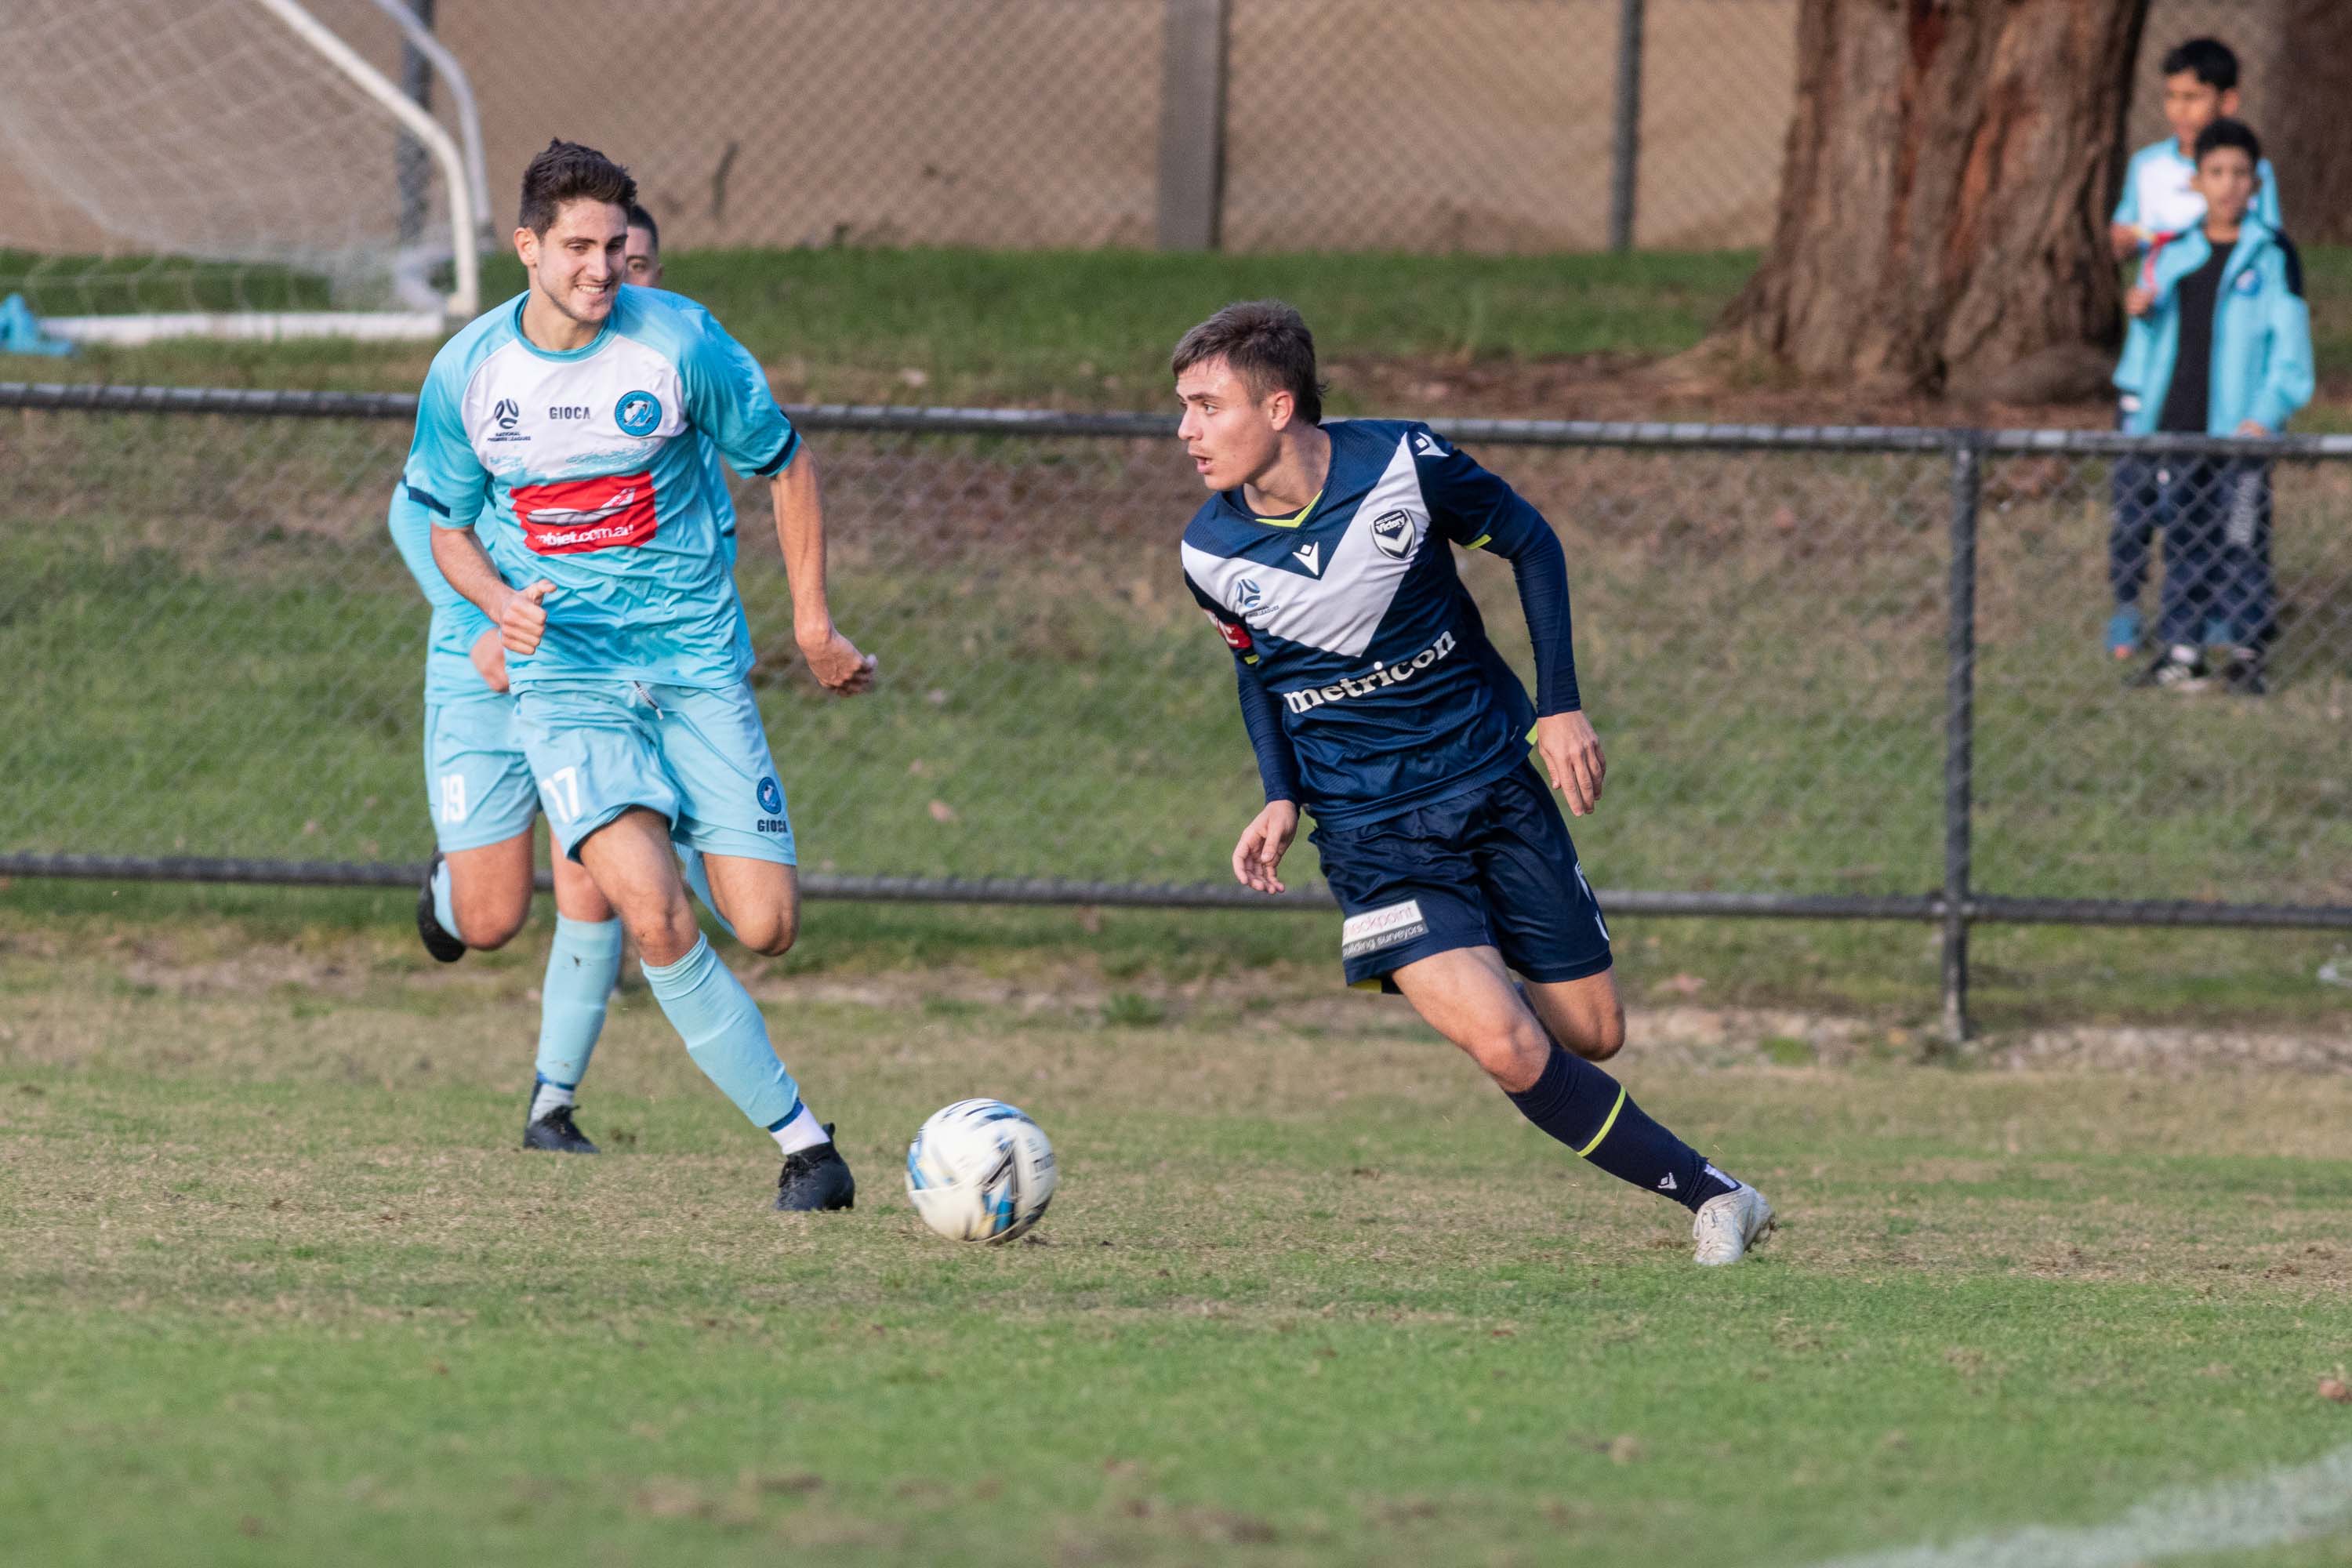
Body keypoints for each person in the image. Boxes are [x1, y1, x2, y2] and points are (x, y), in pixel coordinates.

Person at [1172, 301, 1773, 1266]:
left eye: (1207, 406)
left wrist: (1558, 704)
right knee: (1509, 1045)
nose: (1187, 432)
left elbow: (1531, 541)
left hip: (1492, 784)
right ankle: (1718, 1196)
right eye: (1185, 409)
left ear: (1278, 406)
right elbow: (1260, 675)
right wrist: (1282, 793)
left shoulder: (1406, 463)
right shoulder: (1211, 552)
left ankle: (1504, 996)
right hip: (1371, 831)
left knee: (1594, 1031)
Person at [409, 140, 876, 1210]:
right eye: (577, 246)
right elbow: (444, 525)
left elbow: (785, 462)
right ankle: (807, 1149)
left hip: (697, 672)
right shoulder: (469, 372)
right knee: (653, 916)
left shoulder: (683, 342)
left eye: (614, 245)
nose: (602, 267)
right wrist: (494, 603)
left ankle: (670, 863)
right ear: (526, 248)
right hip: (567, 685)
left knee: (764, 926)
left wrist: (811, 624)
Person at [395, 201, 742, 1155]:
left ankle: (553, 1104)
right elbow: (417, 515)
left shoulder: (672, 408)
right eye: (597, 257)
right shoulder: (495, 380)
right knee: (494, 916)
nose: (618, 281)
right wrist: (487, 620)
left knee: (596, 880)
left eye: (638, 266)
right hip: (489, 670)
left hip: (596, 679)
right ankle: (450, 884)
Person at [2118, 119, 2312, 696]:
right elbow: (2152, 348)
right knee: (2184, 536)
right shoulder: (2173, 253)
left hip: (2239, 432)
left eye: (2239, 174)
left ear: (2255, 183)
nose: (2228, 185)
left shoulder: (2274, 256)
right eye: (2216, 173)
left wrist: (2266, 414)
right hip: (2180, 425)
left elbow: (2290, 354)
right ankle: (2183, 650)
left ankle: (2247, 652)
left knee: (2241, 538)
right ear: (2197, 181)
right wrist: (2144, 314)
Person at [2105, 38, 2282, 662]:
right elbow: (2127, 239)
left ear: (2226, 100)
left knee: (2221, 510)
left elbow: (2270, 265)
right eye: (2171, 97)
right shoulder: (2148, 168)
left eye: (2193, 97)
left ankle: (2219, 620)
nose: (2179, 109)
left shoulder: (2251, 179)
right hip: (2152, 373)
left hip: (2218, 384)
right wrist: (2125, 244)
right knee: (2136, 501)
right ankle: (2129, 604)